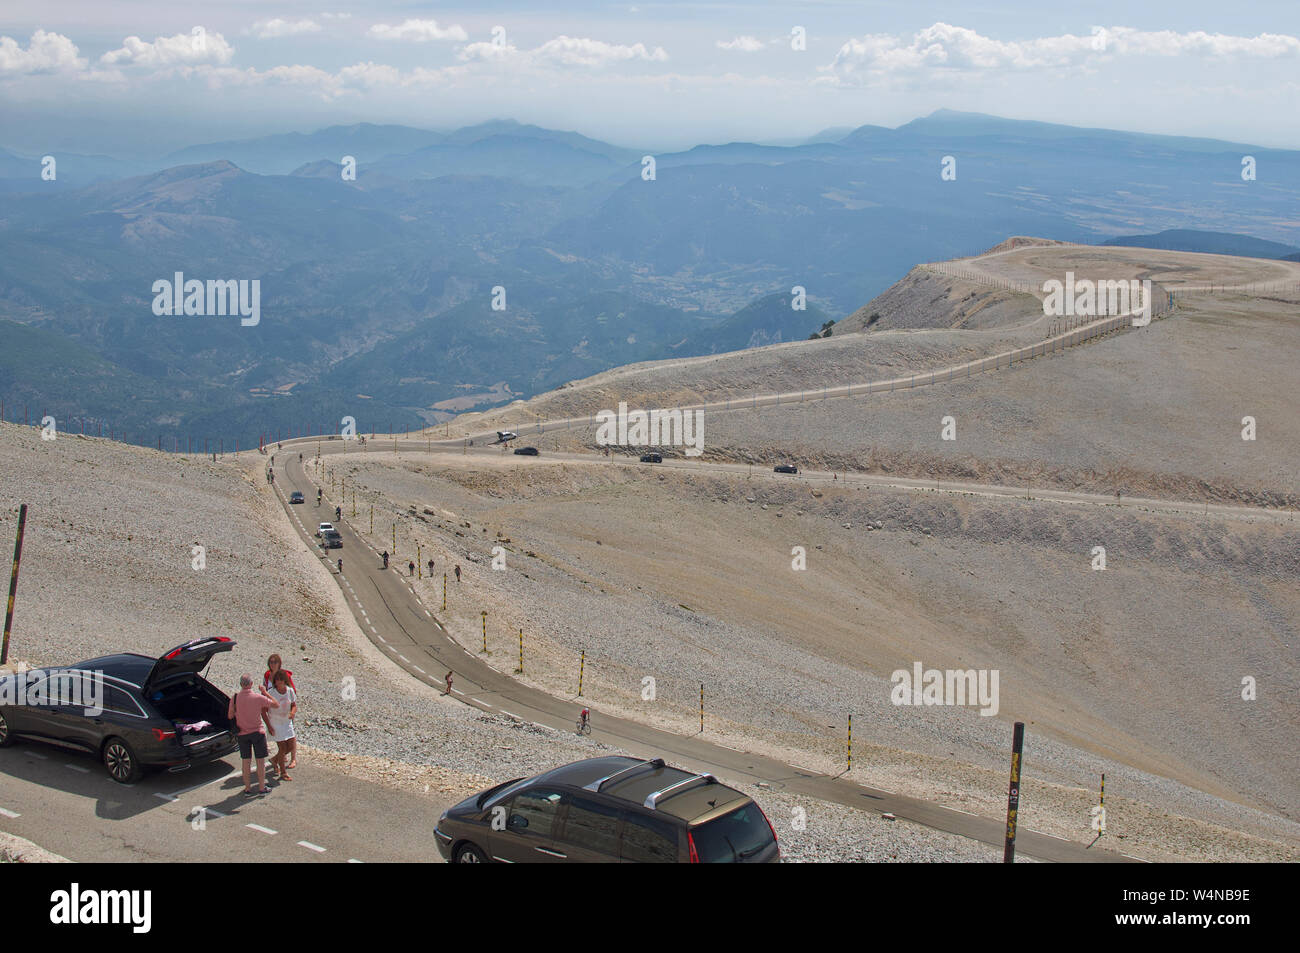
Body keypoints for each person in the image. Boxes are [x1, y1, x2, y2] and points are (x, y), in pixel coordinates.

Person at [228, 674, 279, 797]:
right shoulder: (257, 698)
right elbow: (275, 704)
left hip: (242, 733)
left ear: (241, 684)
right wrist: (264, 692)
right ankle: (262, 788)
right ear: (251, 684)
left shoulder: (234, 698)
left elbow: (230, 716)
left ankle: (247, 789)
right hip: (257, 733)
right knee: (260, 761)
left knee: (246, 762)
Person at [266, 670, 298, 781]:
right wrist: (269, 726)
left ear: (285, 680)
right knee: (282, 747)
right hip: (275, 723)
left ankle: (274, 760)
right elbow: (263, 710)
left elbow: (294, 705)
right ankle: (283, 772)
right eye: (277, 680)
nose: (279, 682)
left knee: (291, 746)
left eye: (281, 679)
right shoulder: (271, 693)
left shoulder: (289, 691)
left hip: (286, 722)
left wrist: (292, 712)